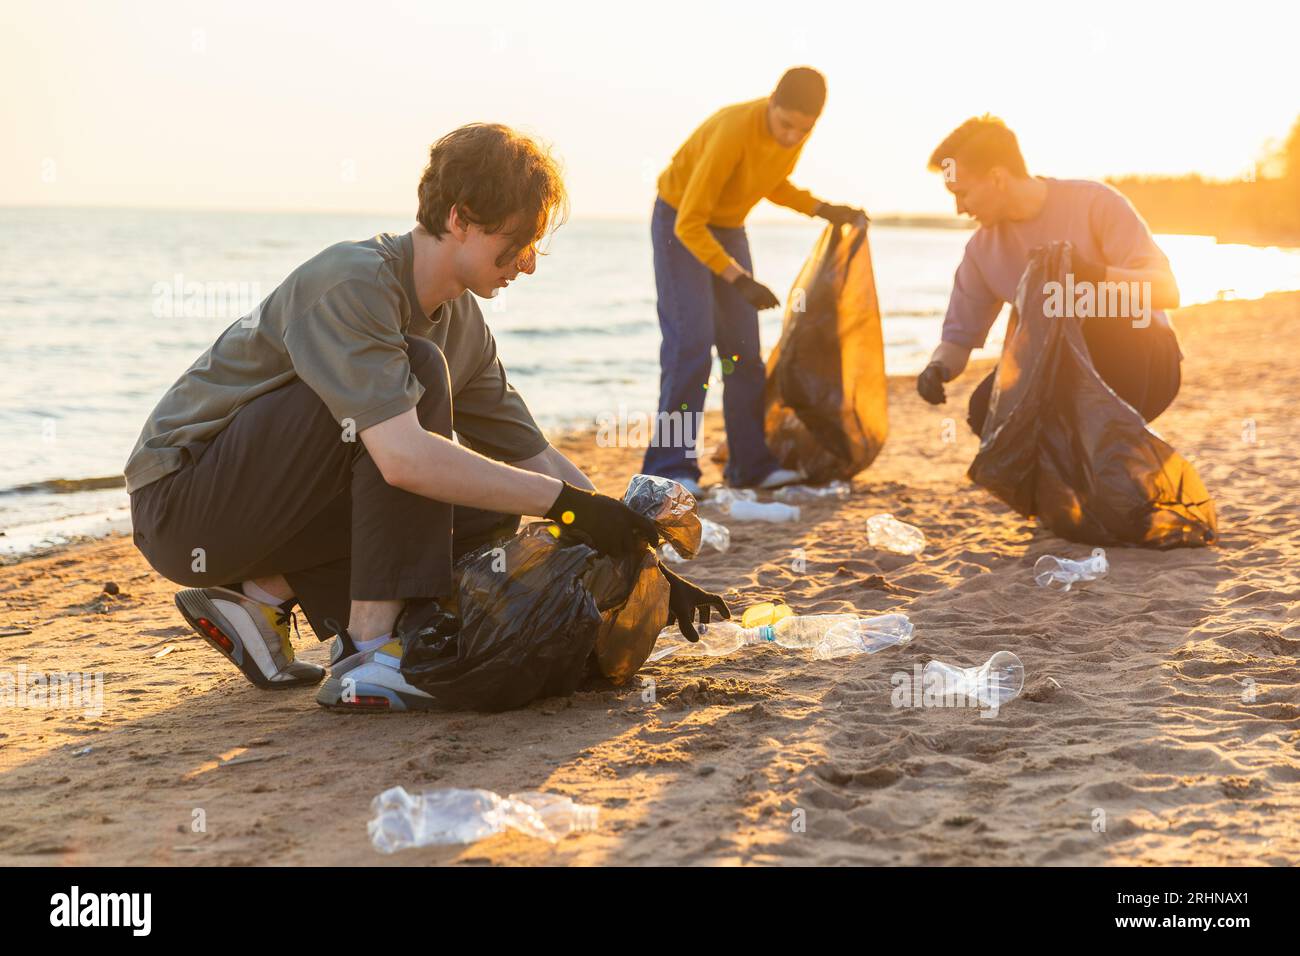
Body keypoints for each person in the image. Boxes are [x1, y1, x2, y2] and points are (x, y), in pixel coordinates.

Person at [126, 123, 728, 712]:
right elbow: (406, 460)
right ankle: (368, 650)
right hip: (184, 505)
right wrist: (568, 506)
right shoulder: (352, 282)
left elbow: (532, 456)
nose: (527, 264)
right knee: (418, 392)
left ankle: (258, 599)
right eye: (515, 243)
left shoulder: (462, 322)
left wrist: (629, 549)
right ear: (460, 219)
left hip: (268, 511)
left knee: (489, 498)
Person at [643, 66, 868, 495]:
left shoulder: (791, 134)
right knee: (691, 346)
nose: (790, 137)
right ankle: (669, 466)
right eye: (786, 125)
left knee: (743, 354)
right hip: (679, 221)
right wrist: (740, 279)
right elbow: (690, 224)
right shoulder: (733, 130)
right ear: (771, 102)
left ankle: (750, 465)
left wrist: (822, 208)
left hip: (728, 226)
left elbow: (772, 182)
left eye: (803, 131)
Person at [916, 115, 1183, 435]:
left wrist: (1095, 275)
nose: (959, 208)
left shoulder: (1095, 202)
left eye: (962, 193)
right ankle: (1065, 473)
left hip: (1147, 363)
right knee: (984, 408)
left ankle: (1116, 446)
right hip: (1060, 365)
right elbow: (957, 342)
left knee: (1107, 319)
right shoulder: (981, 252)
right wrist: (936, 368)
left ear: (998, 178)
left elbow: (1168, 291)